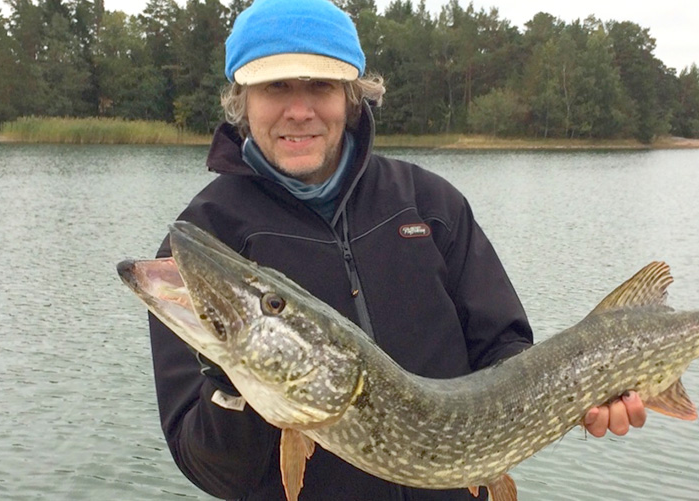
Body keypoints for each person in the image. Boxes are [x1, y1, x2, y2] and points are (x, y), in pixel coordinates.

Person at [147, 1, 646, 499]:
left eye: (320, 86)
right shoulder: (203, 240)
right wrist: (232, 381)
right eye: (276, 87)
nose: (299, 111)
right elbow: (209, 470)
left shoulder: (430, 204)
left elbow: (506, 352)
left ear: (350, 96)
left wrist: (588, 390)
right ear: (242, 98)